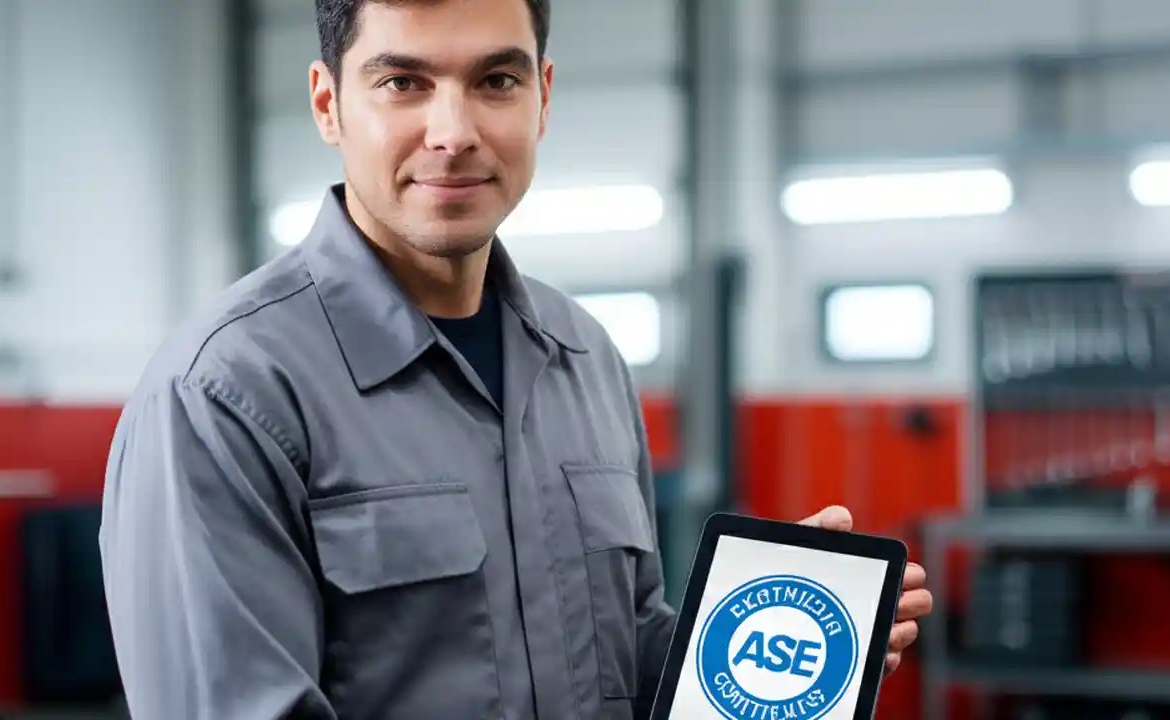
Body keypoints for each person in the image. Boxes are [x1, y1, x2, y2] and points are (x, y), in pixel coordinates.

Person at [98, 1, 933, 718]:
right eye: (403, 83)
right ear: (328, 105)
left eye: (495, 81)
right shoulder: (224, 396)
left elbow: (632, 668)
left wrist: (765, 632)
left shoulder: (584, 361)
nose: (454, 133)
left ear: (542, 99)